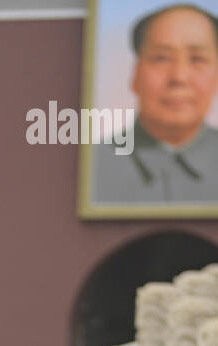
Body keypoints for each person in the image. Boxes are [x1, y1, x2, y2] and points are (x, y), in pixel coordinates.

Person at [92, 5, 218, 204]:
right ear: (135, 75)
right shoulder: (91, 165)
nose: (179, 77)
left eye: (198, 59)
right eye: (161, 58)